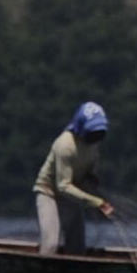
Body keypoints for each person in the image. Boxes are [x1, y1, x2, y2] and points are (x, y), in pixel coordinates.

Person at [33, 100, 117, 255]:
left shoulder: (93, 145)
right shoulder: (65, 145)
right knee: (51, 244)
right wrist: (96, 202)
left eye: (100, 132)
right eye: (93, 131)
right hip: (49, 193)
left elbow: (88, 174)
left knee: (77, 247)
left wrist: (93, 186)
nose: (97, 136)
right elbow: (63, 186)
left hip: (71, 195)